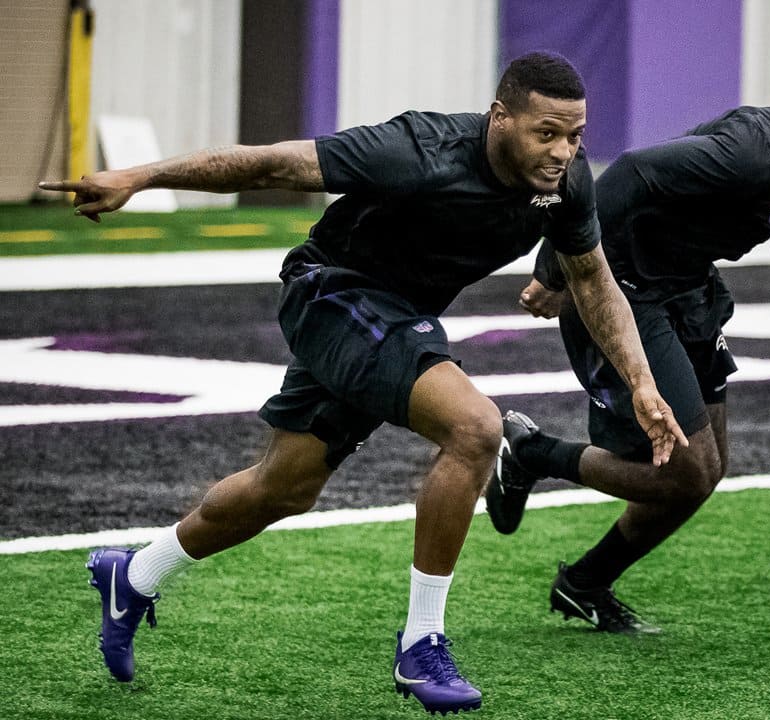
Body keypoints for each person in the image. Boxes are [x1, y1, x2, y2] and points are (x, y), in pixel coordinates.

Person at [40, 52, 686, 715]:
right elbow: (271, 164)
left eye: (575, 136)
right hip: (331, 291)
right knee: (475, 427)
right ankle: (421, 643)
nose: (562, 152)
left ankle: (133, 574)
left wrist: (641, 383)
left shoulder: (565, 184)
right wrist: (141, 175)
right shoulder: (417, 150)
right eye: (545, 133)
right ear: (500, 118)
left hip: (392, 320)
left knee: (282, 488)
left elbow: (592, 280)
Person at [483, 49, 770, 633]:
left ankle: (584, 584)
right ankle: (531, 453)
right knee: (688, 471)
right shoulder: (756, 151)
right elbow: (632, 172)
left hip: (689, 287)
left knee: (705, 470)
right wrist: (556, 269)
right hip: (625, 290)